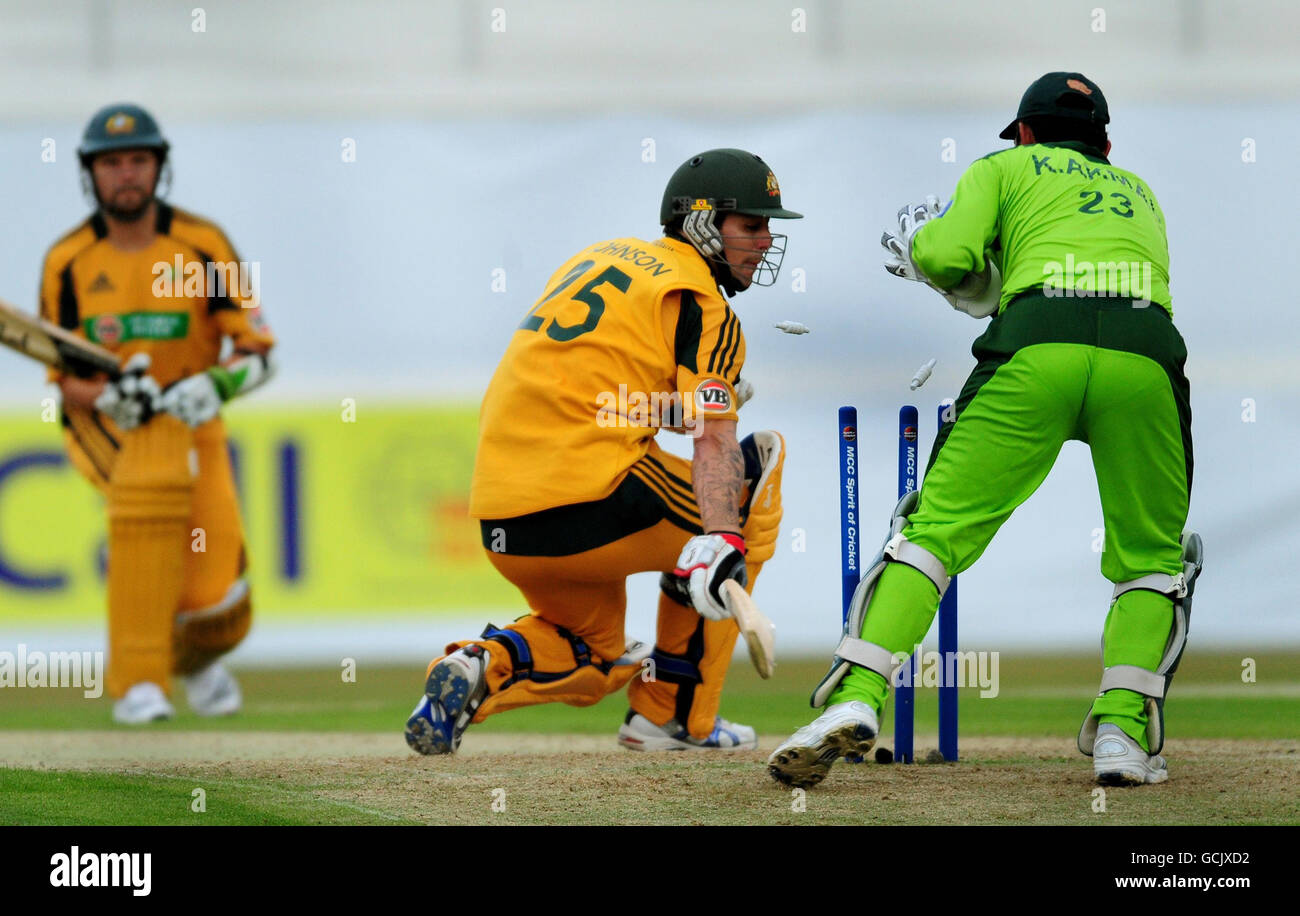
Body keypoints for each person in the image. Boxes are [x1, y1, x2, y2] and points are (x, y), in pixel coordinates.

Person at [769, 72, 1202, 788]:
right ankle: (1123, 733)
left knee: (932, 534)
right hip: (1144, 356)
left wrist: (928, 250)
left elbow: (948, 258)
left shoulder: (1003, 166)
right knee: (1152, 560)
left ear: (1026, 133)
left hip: (1037, 348)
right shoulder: (1140, 193)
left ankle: (855, 698)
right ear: (1107, 143)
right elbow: (1085, 268)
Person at [405, 148, 800, 754]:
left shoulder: (598, 257)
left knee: (594, 655)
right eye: (751, 224)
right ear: (701, 222)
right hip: (592, 492)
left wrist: (678, 403)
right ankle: (674, 718)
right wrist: (723, 535)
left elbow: (594, 394)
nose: (766, 240)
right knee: (749, 484)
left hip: (501, 516)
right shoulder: (703, 302)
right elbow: (714, 439)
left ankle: (482, 664)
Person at [39, 103, 276, 724]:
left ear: (159, 167)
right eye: (111, 162)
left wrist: (216, 386)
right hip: (109, 423)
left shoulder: (204, 244)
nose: (126, 174)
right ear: (90, 173)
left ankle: (193, 659)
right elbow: (66, 381)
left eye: (138, 160)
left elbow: (260, 353)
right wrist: (109, 397)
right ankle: (138, 683)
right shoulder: (68, 260)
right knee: (145, 521)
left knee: (213, 589)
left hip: (192, 420)